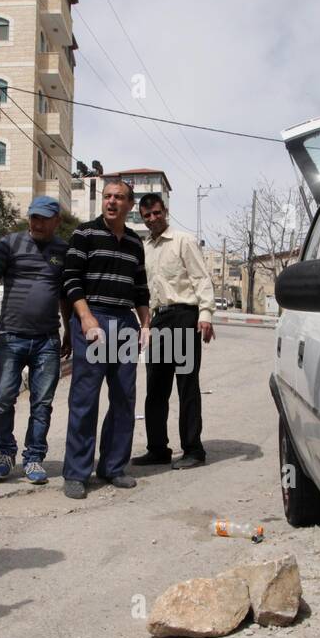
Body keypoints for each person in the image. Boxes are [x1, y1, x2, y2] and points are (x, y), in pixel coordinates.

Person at [0, 196, 71, 485]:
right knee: (2, 398)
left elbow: (65, 295)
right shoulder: (10, 243)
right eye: (33, 216)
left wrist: (70, 331)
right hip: (11, 336)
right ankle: (4, 453)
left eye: (44, 218)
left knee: (42, 403)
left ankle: (34, 457)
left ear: (56, 221)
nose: (36, 223)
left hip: (47, 339)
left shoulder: (64, 250)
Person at [61, 180, 151, 499]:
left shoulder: (134, 243)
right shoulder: (84, 234)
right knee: (85, 397)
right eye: (108, 196)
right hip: (94, 316)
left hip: (125, 319)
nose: (111, 202)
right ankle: (76, 472)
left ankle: (113, 467)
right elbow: (71, 280)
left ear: (129, 205)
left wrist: (145, 324)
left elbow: (140, 288)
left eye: (119, 198)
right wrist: (86, 319)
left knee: (124, 397)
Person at [134, 193, 216, 469]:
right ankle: (158, 448)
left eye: (157, 213)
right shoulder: (144, 248)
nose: (153, 219)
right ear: (142, 218)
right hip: (158, 321)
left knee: (186, 386)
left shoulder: (183, 241)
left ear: (165, 211)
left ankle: (193, 450)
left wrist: (205, 314)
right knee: (155, 388)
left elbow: (201, 278)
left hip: (184, 316)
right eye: (147, 215)